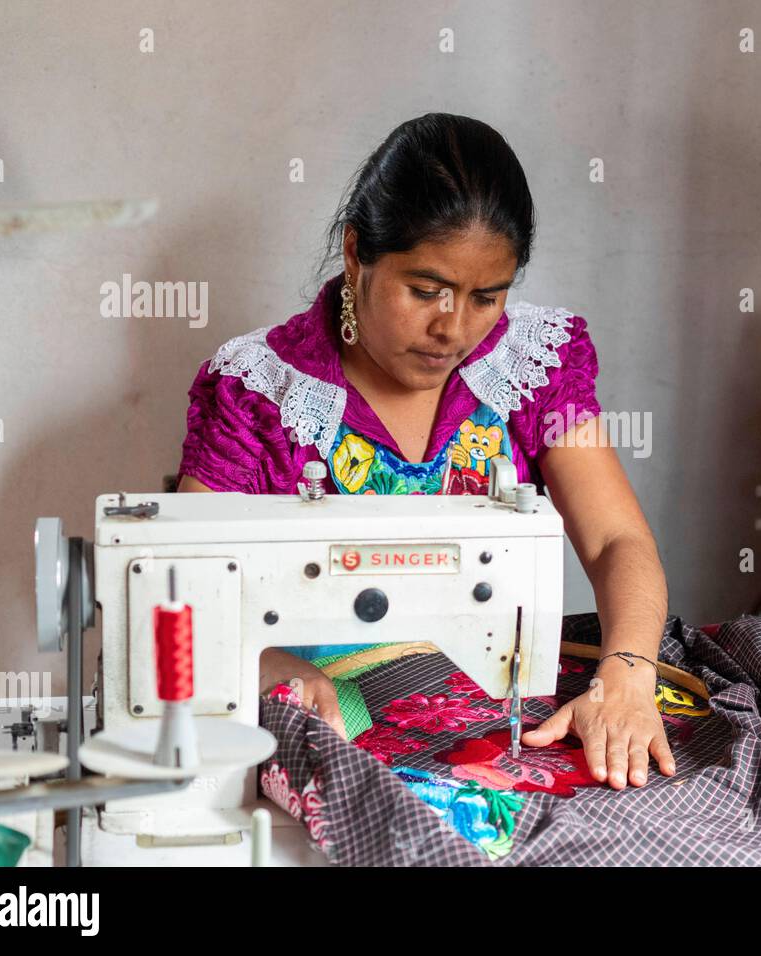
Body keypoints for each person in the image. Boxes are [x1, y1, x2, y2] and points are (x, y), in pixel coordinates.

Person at [177, 113, 673, 790]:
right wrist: (267, 664)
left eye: (485, 298)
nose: (453, 327)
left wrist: (626, 672)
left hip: (491, 701)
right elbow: (187, 586)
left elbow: (617, 538)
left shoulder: (532, 367)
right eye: (425, 290)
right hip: (327, 716)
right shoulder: (260, 394)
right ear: (357, 254)